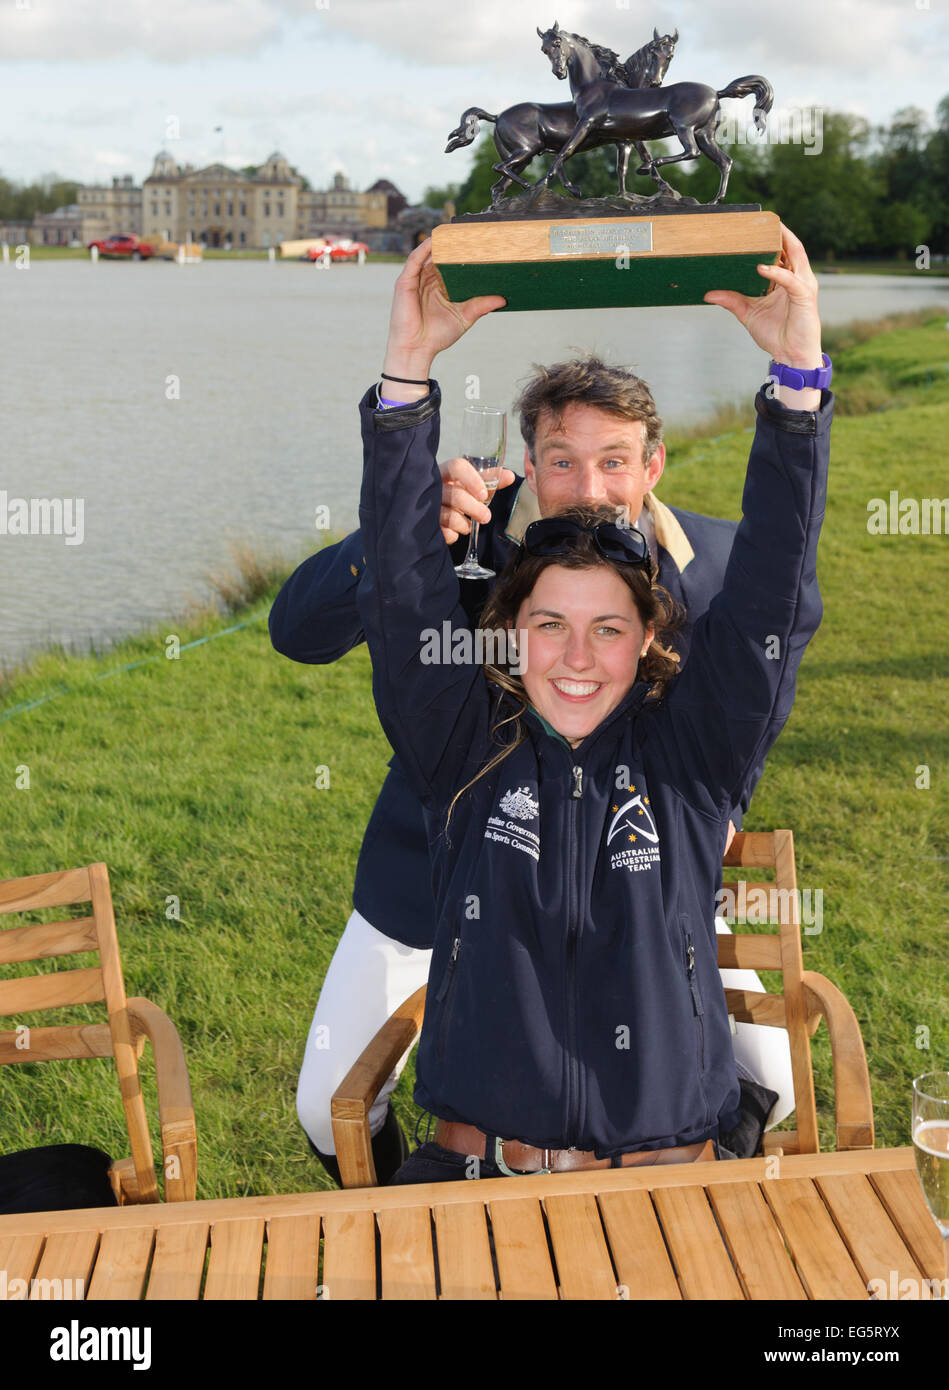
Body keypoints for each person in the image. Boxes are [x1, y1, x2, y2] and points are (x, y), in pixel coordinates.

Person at [270, 230, 818, 1181]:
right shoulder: (462, 529)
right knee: (329, 1104)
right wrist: (401, 525)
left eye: (614, 462)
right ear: (529, 459)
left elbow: (774, 613)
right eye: (563, 461)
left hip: (649, 878)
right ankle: (408, 1183)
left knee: (765, 1076)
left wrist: (798, 379)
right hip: (446, 866)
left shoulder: (724, 563)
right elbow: (310, 627)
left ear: (652, 464)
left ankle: (666, 1165)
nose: (591, 486)